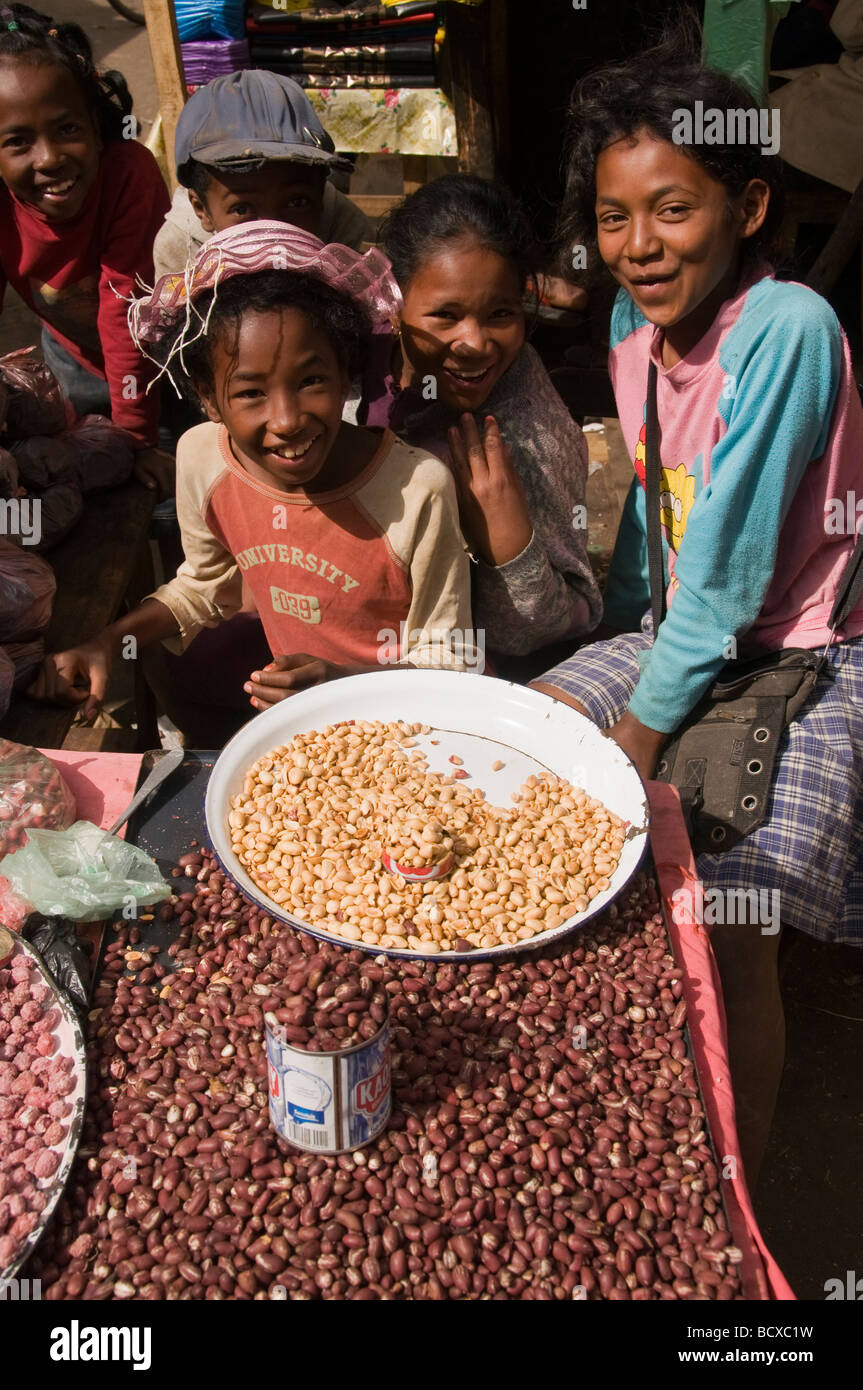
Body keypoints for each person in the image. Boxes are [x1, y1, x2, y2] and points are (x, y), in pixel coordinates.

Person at [530, 33, 863, 1185]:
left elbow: (727, 579)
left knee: (729, 910)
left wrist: (637, 728)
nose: (636, 246)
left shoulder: (786, 331)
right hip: (688, 634)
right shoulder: (629, 333)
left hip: (807, 646)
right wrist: (612, 654)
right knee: (525, 754)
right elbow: (659, 539)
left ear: (747, 202)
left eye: (670, 210)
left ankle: (732, 1182)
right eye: (613, 218)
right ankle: (597, 1086)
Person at [30, 221, 476, 716]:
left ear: (345, 370)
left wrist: (340, 684)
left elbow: (450, 661)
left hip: (405, 725)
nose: (286, 420)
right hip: (299, 727)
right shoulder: (203, 457)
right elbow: (203, 588)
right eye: (250, 392)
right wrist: (108, 642)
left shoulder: (417, 488)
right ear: (208, 398)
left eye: (311, 380)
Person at [348, 173, 602, 669]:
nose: (475, 342)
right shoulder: (353, 362)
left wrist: (509, 548)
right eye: (446, 315)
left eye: (500, 313)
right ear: (396, 304)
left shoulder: (527, 439)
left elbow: (554, 622)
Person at [0, 4, 173, 491]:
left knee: (162, 480)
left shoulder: (129, 175)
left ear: (97, 126)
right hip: (72, 358)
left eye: (67, 129)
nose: (49, 158)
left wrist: (137, 439)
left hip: (158, 357)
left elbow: (127, 312)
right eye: (17, 141)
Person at [152, 69, 371, 281]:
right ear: (202, 210)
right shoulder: (180, 248)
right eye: (242, 209)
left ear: (320, 192)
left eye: (297, 202)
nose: (273, 235)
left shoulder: (343, 227)